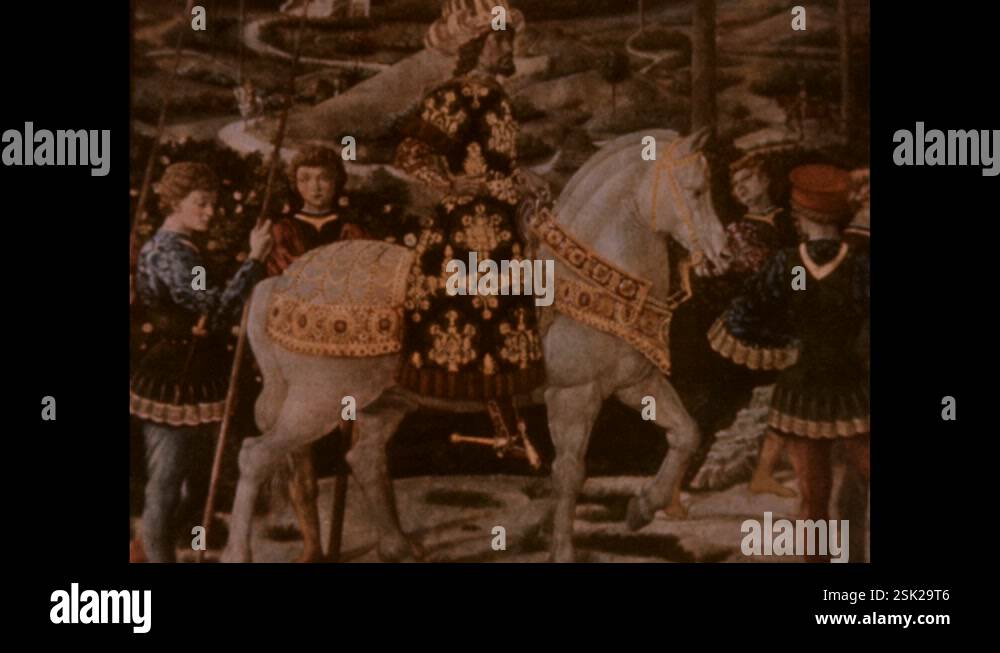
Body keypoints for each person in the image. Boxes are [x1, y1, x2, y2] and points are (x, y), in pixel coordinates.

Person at [393, 0, 546, 435]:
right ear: (475, 45)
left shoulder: (498, 97)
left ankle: (505, 415)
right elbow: (410, 152)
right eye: (497, 38)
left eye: (508, 37)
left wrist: (522, 176)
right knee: (475, 304)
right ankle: (470, 408)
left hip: (502, 221)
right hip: (466, 227)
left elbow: (497, 161)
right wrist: (449, 185)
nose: (506, 45)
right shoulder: (456, 93)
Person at [709, 164, 869, 561]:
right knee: (855, 479)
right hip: (853, 387)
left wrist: (786, 344)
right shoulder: (860, 266)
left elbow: (742, 318)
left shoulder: (786, 265)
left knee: (812, 497)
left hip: (804, 388)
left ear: (798, 219)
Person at [131, 162, 273, 562]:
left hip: (193, 371)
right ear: (175, 203)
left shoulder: (177, 246)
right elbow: (215, 310)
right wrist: (255, 259)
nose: (211, 212)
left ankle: (184, 549)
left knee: (191, 479)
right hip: (174, 375)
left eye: (214, 204)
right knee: (165, 481)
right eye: (201, 204)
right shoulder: (172, 253)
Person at [265, 145, 367, 563]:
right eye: (306, 179)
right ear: (296, 183)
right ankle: (312, 543)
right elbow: (285, 275)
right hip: (297, 346)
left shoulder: (353, 229)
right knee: (297, 445)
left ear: (337, 181)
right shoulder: (283, 230)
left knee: (358, 436)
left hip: (343, 347)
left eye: (323, 178)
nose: (315, 187)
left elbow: (361, 276)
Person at [725, 154, 795, 498]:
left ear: (766, 180)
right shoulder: (741, 230)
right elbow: (761, 272)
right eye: (737, 187)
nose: (743, 190)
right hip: (766, 319)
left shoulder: (791, 218)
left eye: (748, 180)